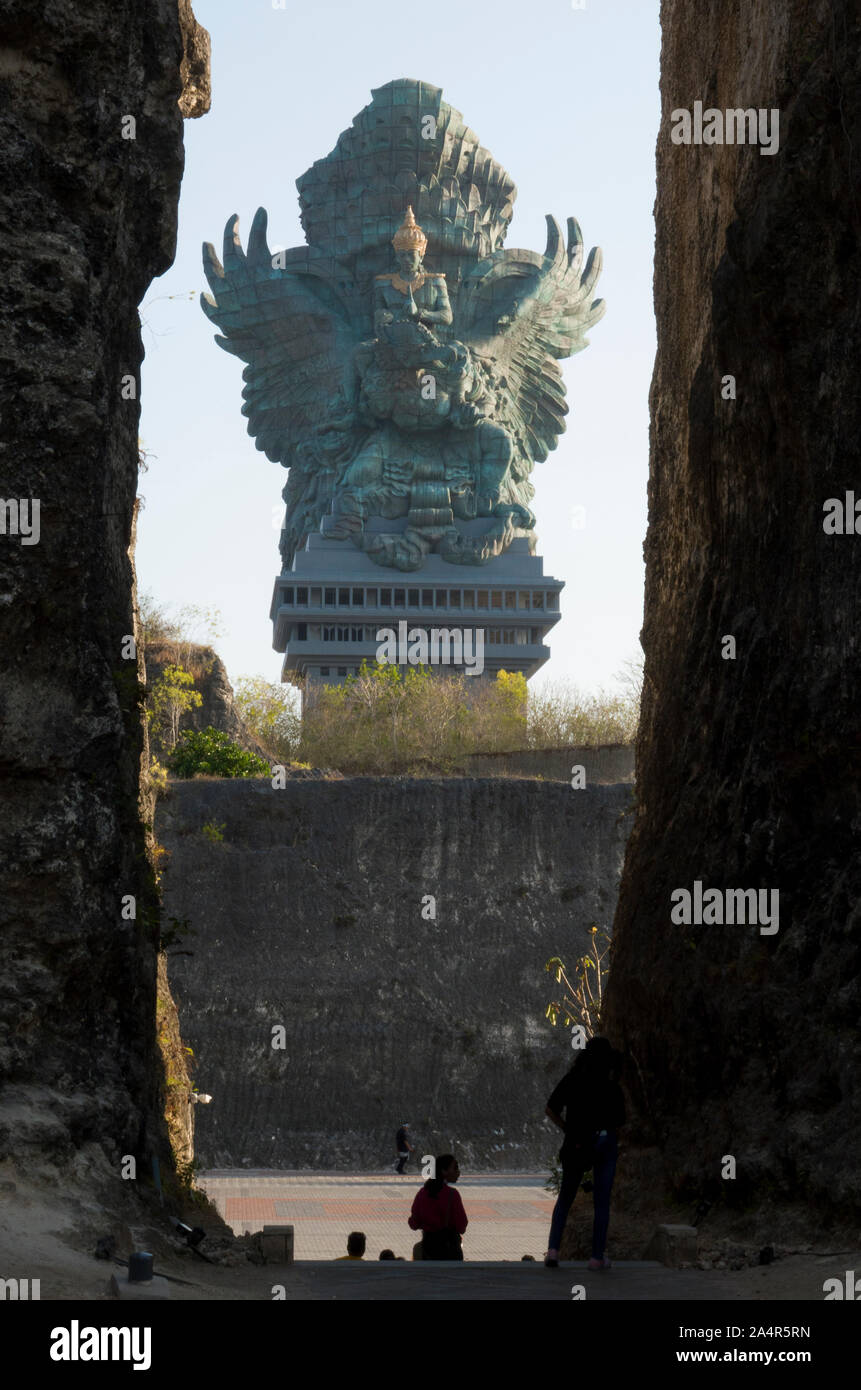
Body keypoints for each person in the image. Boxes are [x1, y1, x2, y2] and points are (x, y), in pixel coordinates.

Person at [543, 1036, 625, 1269]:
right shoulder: (610, 1083)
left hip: (576, 1143)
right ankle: (596, 1257)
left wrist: (567, 1128)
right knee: (601, 1202)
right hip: (604, 1143)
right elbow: (620, 1120)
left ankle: (553, 1251)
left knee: (566, 1198)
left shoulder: (572, 1078)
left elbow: (550, 1109)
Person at [408, 1154, 468, 1260]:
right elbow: (461, 1226)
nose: (458, 1172)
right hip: (451, 1252)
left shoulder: (422, 1193)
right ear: (443, 1171)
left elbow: (413, 1223)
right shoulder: (452, 1194)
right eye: (455, 1168)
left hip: (428, 1251)